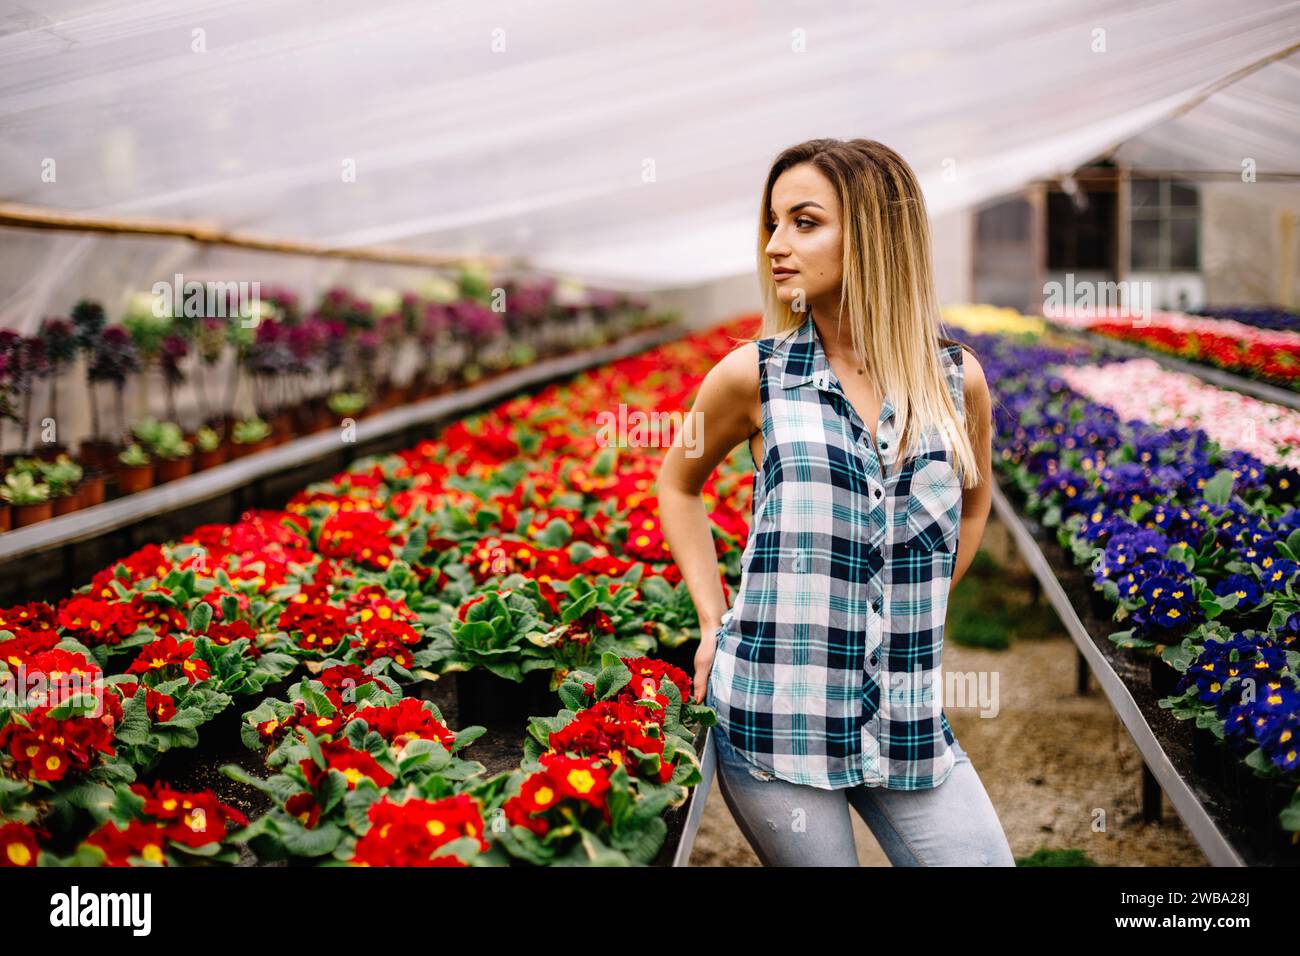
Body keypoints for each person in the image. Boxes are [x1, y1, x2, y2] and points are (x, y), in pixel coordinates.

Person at [656, 138, 1015, 866]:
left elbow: (973, 505)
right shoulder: (752, 376)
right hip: (774, 722)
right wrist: (711, 619)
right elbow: (677, 482)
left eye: (804, 222)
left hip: (906, 723)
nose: (775, 245)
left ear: (876, 232)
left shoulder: (957, 381)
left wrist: (917, 598)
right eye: (772, 223)